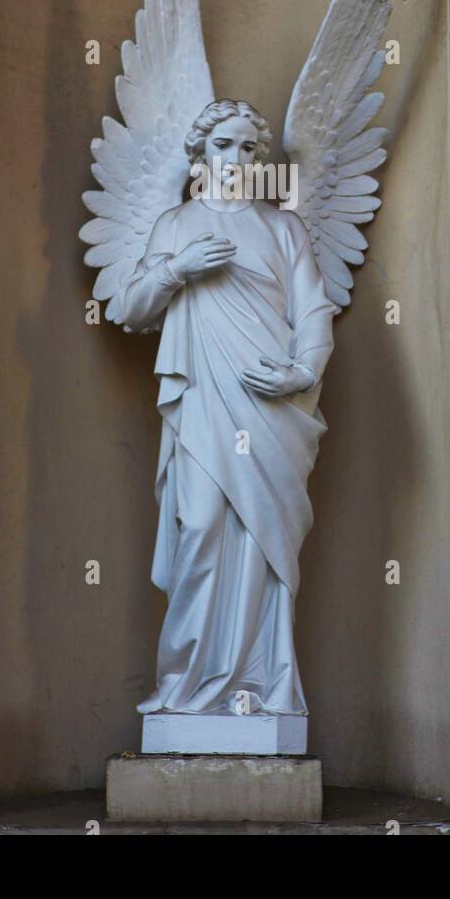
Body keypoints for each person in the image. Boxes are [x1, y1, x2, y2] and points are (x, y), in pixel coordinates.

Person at [118, 99, 337, 716]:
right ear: (200, 152)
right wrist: (175, 271)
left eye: (248, 147)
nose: (236, 158)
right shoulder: (175, 225)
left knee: (261, 539)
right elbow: (132, 310)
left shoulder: (282, 228)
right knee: (204, 525)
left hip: (269, 406)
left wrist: (301, 371)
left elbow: (314, 313)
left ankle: (258, 688)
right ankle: (187, 683)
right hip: (203, 403)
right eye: (223, 145)